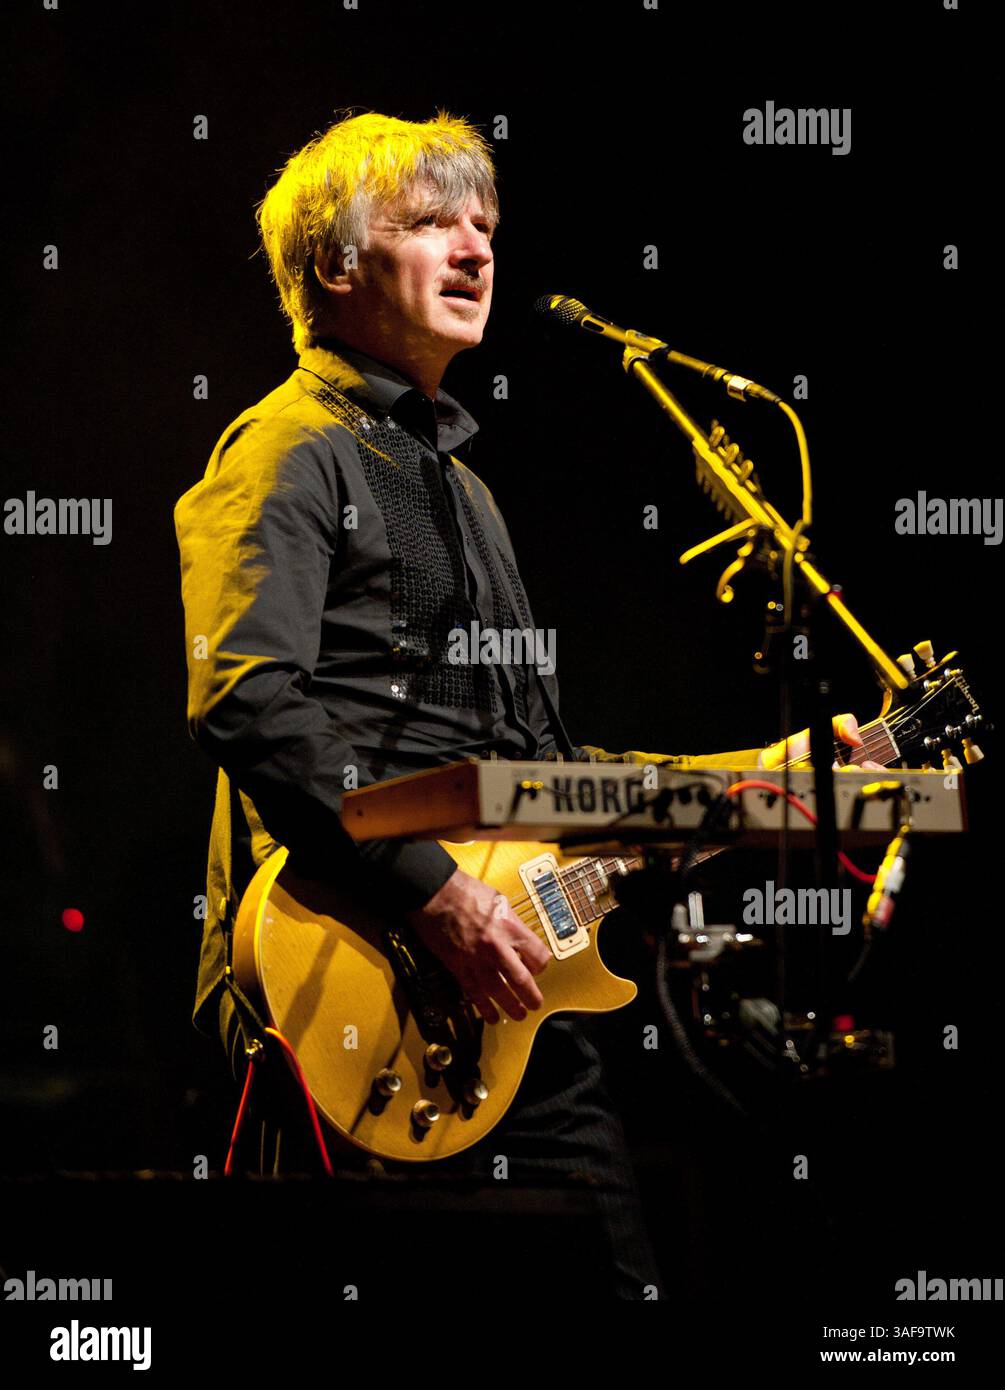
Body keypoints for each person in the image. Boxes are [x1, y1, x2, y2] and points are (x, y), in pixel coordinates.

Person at [173, 109, 877, 1299]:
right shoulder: (288, 449)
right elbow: (247, 699)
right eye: (431, 221)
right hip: (352, 985)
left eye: (486, 223)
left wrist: (771, 768)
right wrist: (434, 894)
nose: (475, 247)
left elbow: (546, 767)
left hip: (513, 1011)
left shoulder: (470, 496)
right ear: (336, 266)